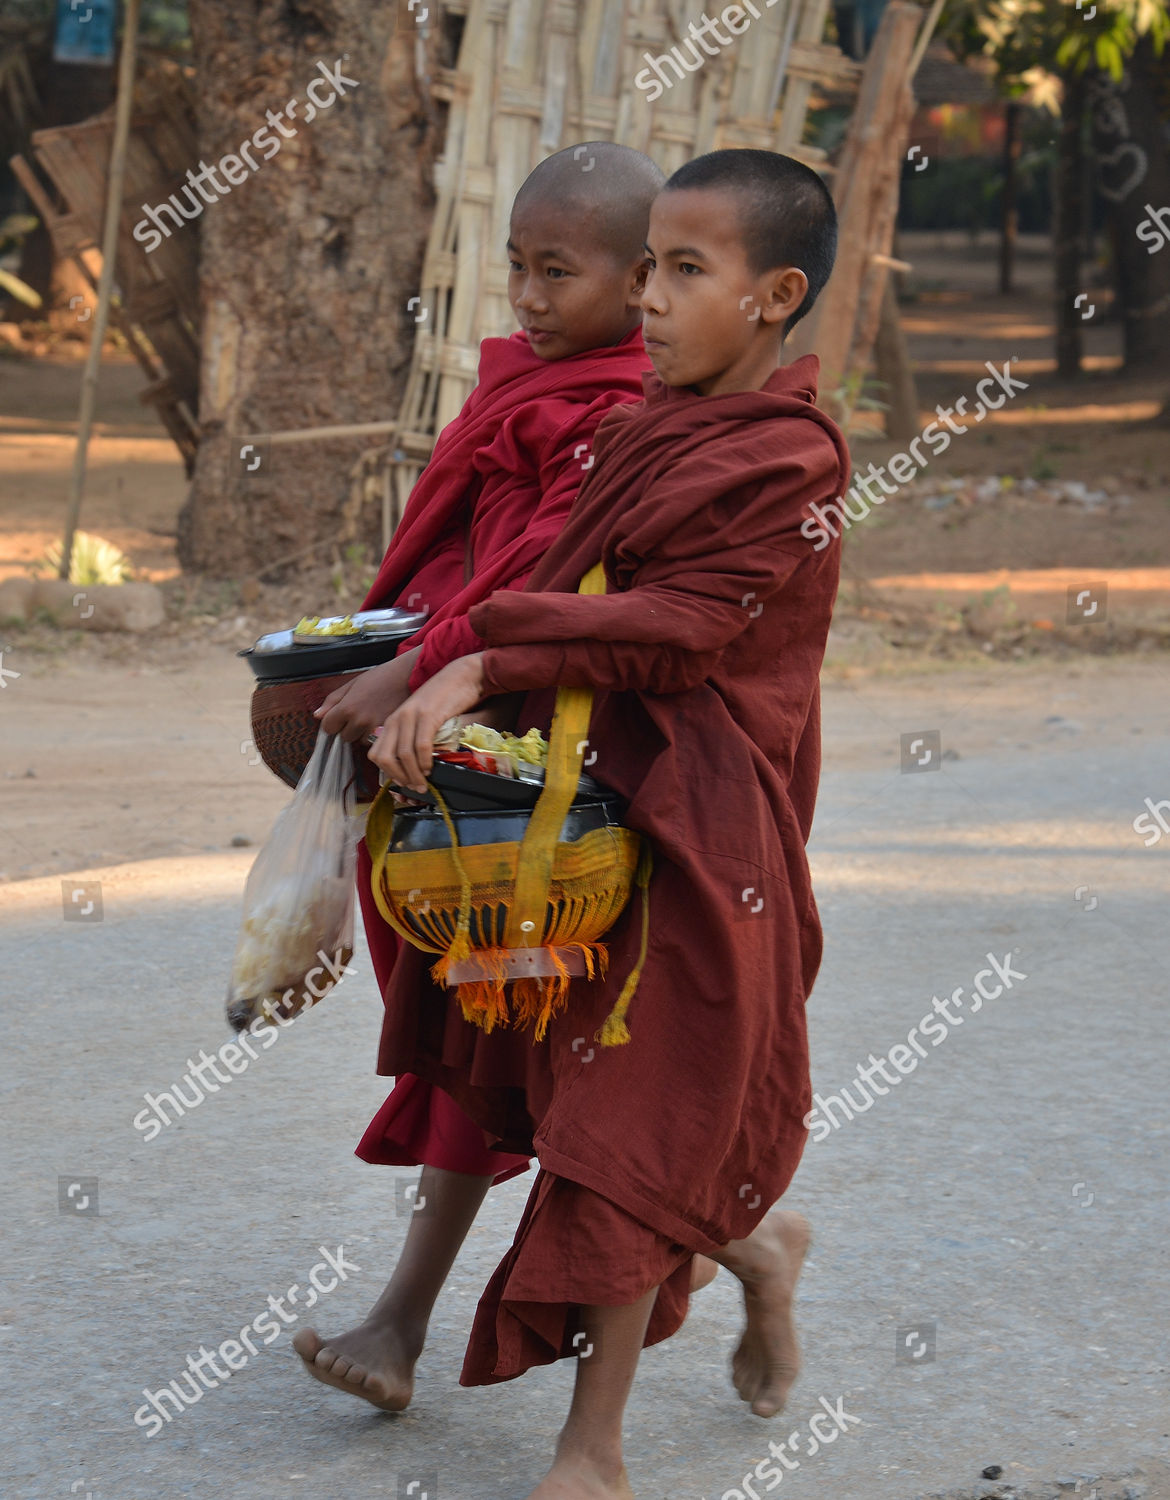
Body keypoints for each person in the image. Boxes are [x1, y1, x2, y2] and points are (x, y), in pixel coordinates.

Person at [369, 147, 850, 1499]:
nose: (646, 297)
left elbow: (683, 629)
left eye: (684, 270)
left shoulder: (783, 458)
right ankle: (755, 1252)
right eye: (644, 266)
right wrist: (437, 663)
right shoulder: (650, 419)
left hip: (702, 826)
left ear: (774, 297)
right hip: (578, 802)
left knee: (629, 1119)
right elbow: (560, 573)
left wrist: (483, 657)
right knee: (548, 1076)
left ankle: (593, 1452)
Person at [291, 141, 671, 1413]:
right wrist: (387, 645)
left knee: (537, 1041)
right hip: (453, 755)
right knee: (479, 1032)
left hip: (554, 777)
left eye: (558, 271)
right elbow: (466, 545)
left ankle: (404, 1318)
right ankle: (752, 1247)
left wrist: (425, 668)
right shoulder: (525, 382)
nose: (526, 295)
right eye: (515, 265)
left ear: (642, 282)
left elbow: (553, 579)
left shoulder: (629, 414)